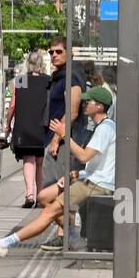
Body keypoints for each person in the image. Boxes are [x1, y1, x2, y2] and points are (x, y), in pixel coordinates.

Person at [0, 86, 115, 257]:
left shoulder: (105, 129)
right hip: (90, 180)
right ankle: (73, 236)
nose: (84, 104)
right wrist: (77, 174)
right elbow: (99, 163)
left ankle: (3, 243)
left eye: (89, 101)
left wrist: (65, 135)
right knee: (43, 197)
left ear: (100, 107)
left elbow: (84, 157)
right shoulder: (102, 127)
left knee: (49, 212)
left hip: (96, 185)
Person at [6, 52, 51, 207]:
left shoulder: (22, 80)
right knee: (39, 161)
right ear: (41, 65)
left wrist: (7, 125)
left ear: (28, 64)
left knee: (28, 158)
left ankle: (29, 194)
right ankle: (40, 196)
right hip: (42, 127)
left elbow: (12, 106)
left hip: (24, 125)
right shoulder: (48, 81)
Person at [42, 37, 86, 191]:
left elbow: (72, 111)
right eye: (51, 52)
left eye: (59, 51)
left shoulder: (71, 76)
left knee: (53, 191)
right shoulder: (60, 75)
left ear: (69, 54)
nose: (54, 55)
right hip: (54, 139)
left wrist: (56, 139)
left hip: (62, 143)